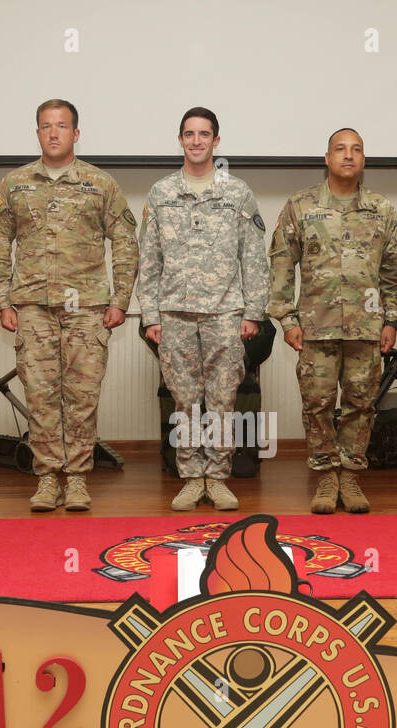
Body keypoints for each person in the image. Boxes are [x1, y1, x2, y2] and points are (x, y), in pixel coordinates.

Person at [0, 99, 139, 512]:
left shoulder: (100, 183)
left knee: (82, 396)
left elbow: (125, 242)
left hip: (87, 308)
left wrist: (121, 299)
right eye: (46, 126)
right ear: (37, 132)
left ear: (76, 133)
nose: (54, 133)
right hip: (32, 306)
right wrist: (2, 301)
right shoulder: (15, 184)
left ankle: (76, 479)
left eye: (62, 125)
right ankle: (48, 478)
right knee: (39, 395)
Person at [267, 128, 397, 514]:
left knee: (361, 405)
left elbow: (394, 271)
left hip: (367, 327)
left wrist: (391, 320)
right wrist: (286, 318)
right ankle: (326, 476)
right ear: (326, 158)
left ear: (364, 159)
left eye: (356, 149)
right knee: (318, 404)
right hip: (315, 328)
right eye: (340, 149)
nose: (348, 155)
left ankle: (351, 476)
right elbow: (281, 264)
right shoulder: (301, 205)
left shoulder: (382, 209)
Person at [139, 107, 269, 512]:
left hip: (226, 313)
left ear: (217, 141)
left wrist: (253, 312)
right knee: (184, 400)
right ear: (180, 140)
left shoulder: (237, 193)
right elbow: (149, 259)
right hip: (174, 313)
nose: (196, 141)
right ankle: (191, 477)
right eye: (189, 134)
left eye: (204, 134)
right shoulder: (161, 193)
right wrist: (150, 315)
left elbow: (254, 257)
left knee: (223, 400)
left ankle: (218, 477)